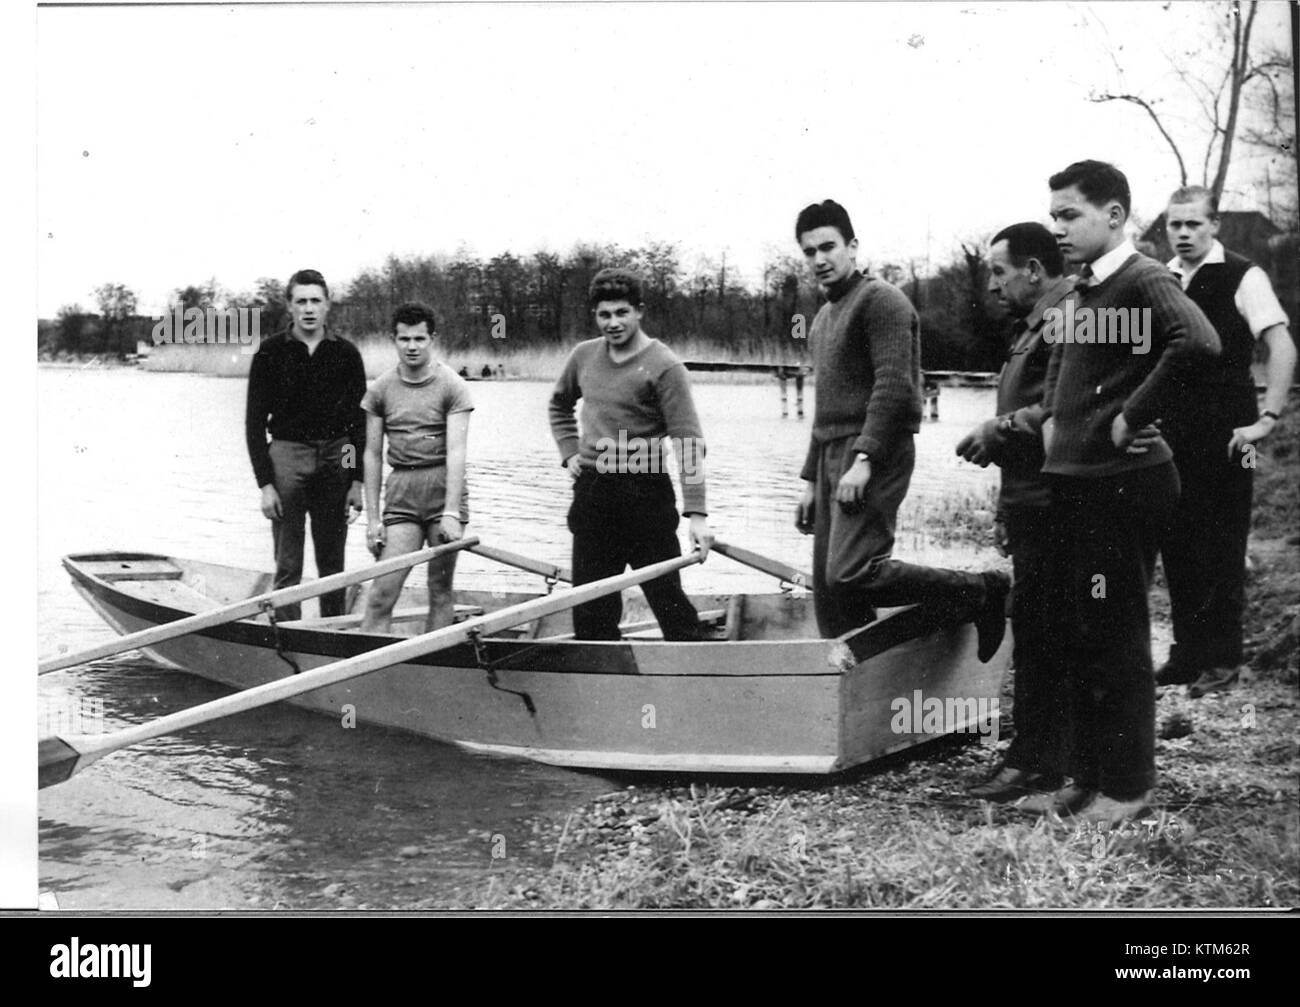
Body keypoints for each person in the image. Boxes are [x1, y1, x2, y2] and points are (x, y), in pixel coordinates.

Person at [1028, 160, 1220, 825]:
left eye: (1070, 213)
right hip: (1078, 484)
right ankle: (1089, 772)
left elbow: (1197, 339)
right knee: (1079, 632)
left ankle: (1130, 783)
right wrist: (1055, 421)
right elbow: (1068, 378)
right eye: (1053, 215)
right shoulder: (1083, 291)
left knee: (1116, 631)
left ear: (1114, 216)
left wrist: (1133, 415)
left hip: (1124, 486)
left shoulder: (1142, 278)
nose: (1058, 227)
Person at [792, 199, 1010, 657]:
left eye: (828, 246)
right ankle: (862, 696)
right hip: (833, 453)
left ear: (852, 246)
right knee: (830, 595)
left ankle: (982, 589)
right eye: (809, 251)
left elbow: (896, 389)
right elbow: (824, 408)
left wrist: (865, 460)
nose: (819, 259)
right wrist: (811, 479)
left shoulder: (882, 301)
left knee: (852, 573)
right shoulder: (822, 320)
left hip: (876, 447)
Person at [1155, 185, 1296, 698]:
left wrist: (1269, 417)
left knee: (1222, 541)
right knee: (1177, 540)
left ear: (1213, 225)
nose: (1184, 233)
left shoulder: (1243, 274)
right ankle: (1187, 654)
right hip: (1171, 434)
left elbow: (1281, 345)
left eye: (1194, 224)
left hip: (1231, 433)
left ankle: (1222, 660)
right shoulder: (1163, 279)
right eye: (1176, 225)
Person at [958, 223, 1074, 801]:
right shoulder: (1032, 326)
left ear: (1033, 269)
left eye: (1000, 272)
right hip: (1029, 500)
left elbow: (1062, 409)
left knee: (1046, 631)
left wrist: (995, 430)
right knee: (1034, 627)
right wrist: (1006, 507)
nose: (994, 286)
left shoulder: (1067, 317)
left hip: (1058, 502)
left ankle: (1037, 761)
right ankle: (1036, 755)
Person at [548, 267, 713, 641]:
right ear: (595, 316)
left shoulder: (664, 365)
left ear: (639, 311)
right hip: (593, 494)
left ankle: (694, 676)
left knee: (668, 600)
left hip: (646, 495)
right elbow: (559, 405)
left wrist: (698, 515)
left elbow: (687, 440)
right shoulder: (583, 357)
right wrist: (569, 452)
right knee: (591, 613)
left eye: (622, 312)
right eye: (604, 314)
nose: (613, 322)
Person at [245, 269, 366, 620]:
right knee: (288, 561)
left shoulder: (346, 354)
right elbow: (254, 425)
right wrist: (265, 484)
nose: (309, 309)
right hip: (287, 456)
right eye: (301, 301)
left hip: (336, 456)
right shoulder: (270, 353)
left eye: (316, 300)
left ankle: (333, 632)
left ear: (328, 305)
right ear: (289, 306)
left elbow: (357, 425)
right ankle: (288, 634)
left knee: (333, 561)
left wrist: (355, 479)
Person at [359, 303, 472, 634]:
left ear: (432, 339)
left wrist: (451, 511)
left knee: (439, 589)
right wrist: (374, 519)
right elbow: (371, 454)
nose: (412, 347)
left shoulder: (453, 386)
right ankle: (370, 671)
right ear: (393, 339)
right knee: (382, 593)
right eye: (404, 339)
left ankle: (433, 670)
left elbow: (456, 451)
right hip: (402, 496)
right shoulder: (380, 389)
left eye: (419, 339)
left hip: (443, 493)